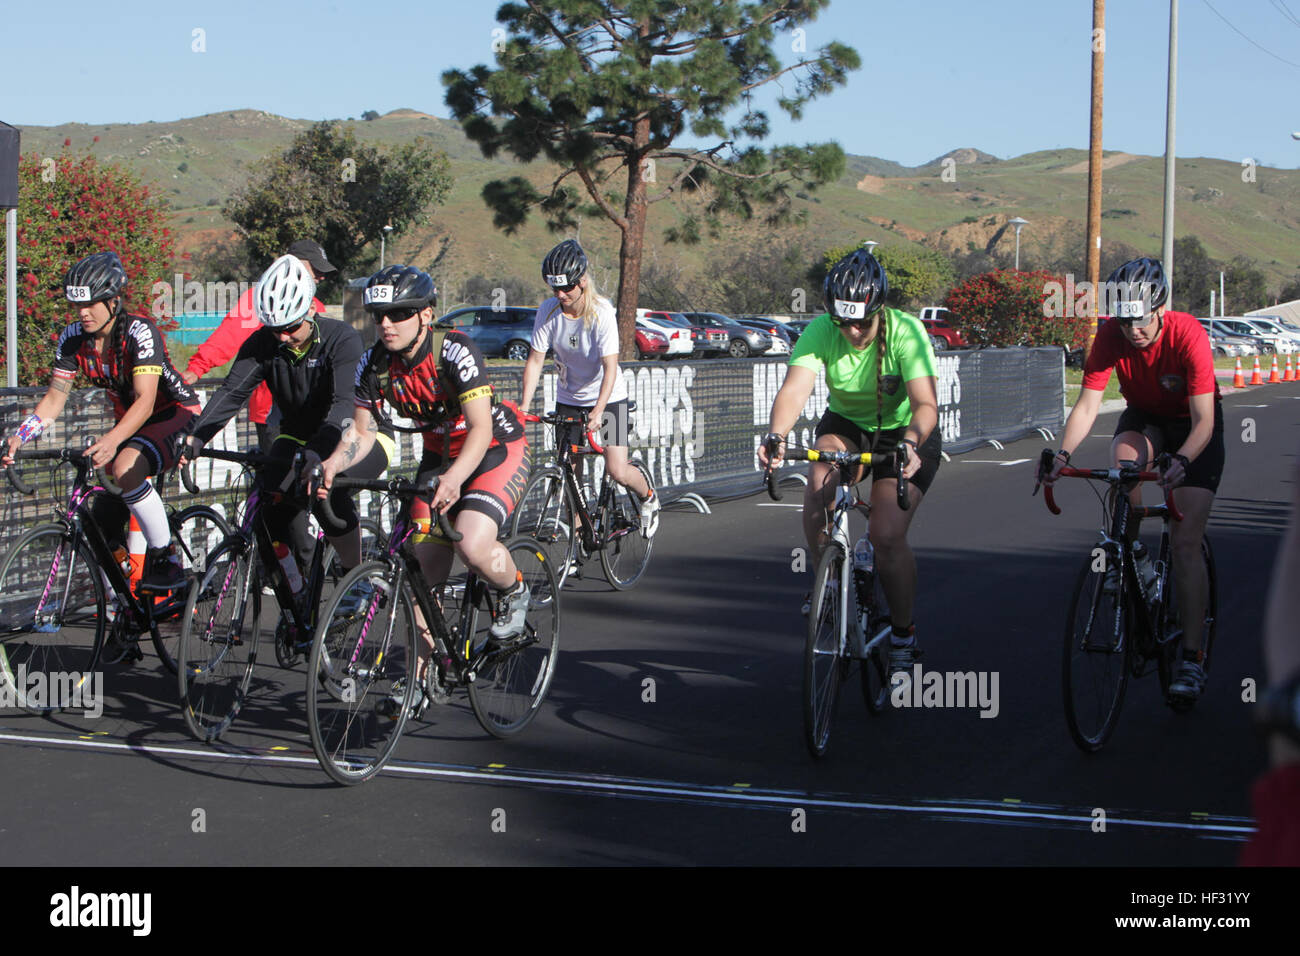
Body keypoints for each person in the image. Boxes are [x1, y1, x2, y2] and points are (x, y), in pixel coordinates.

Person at [319, 265, 532, 715]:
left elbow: (480, 428)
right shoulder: (374, 363)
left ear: (426, 315)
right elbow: (361, 432)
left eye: (399, 313)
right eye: (379, 315)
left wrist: (454, 480)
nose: (387, 324)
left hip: (494, 449)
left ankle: (513, 589)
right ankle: (420, 677)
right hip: (439, 456)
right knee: (420, 576)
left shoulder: (455, 349)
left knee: (472, 545)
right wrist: (336, 462)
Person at [1044, 256, 1223, 705]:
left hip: (1192, 427)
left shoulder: (1188, 334)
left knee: (1184, 541)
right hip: (1145, 418)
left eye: (1140, 320)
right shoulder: (1110, 336)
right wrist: (1062, 455)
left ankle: (1192, 656)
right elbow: (1088, 404)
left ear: (1160, 309)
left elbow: (1205, 420)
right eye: (1123, 321)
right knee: (1122, 468)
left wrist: (1182, 461)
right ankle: (1133, 553)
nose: (1133, 331)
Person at [758, 248, 941, 672]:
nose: (854, 332)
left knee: (886, 535)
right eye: (844, 322)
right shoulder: (821, 330)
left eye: (863, 322)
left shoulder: (906, 331)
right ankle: (827, 577)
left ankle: (903, 634)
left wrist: (911, 441)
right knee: (819, 478)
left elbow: (926, 404)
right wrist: (777, 435)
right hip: (848, 424)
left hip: (906, 431)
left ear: (879, 310)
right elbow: (794, 389)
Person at [180, 254, 390, 595]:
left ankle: (356, 581)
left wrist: (319, 454)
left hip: (359, 432)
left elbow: (342, 406)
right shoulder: (263, 344)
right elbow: (232, 392)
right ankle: (294, 590)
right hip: (298, 433)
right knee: (268, 507)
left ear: (308, 311)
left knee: (328, 489)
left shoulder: (341, 339)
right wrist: (195, 437)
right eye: (275, 329)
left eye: (290, 327)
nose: (282, 337)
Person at [3, 251, 201, 599]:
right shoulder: (73, 338)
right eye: (77, 305)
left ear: (113, 301)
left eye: (91, 304)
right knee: (100, 524)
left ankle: (166, 558)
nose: (83, 312)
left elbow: (146, 401)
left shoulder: (140, 332)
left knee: (124, 465)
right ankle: (125, 600)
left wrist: (111, 440)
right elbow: (55, 398)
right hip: (132, 423)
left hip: (175, 413)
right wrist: (21, 436)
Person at [519, 239, 659, 540]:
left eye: (567, 288)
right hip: (569, 398)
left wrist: (598, 410)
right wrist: (524, 407)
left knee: (617, 470)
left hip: (610, 398)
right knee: (569, 472)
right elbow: (535, 360)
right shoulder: (548, 311)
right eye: (554, 288)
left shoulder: (601, 313)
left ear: (582, 281)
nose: (560, 295)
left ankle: (648, 496)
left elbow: (611, 368)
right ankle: (579, 539)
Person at [181, 239, 334, 450]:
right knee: (277, 467)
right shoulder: (259, 299)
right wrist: (197, 368)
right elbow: (228, 336)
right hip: (272, 415)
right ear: (293, 262)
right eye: (316, 268)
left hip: (314, 413)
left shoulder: (317, 306)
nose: (321, 276)